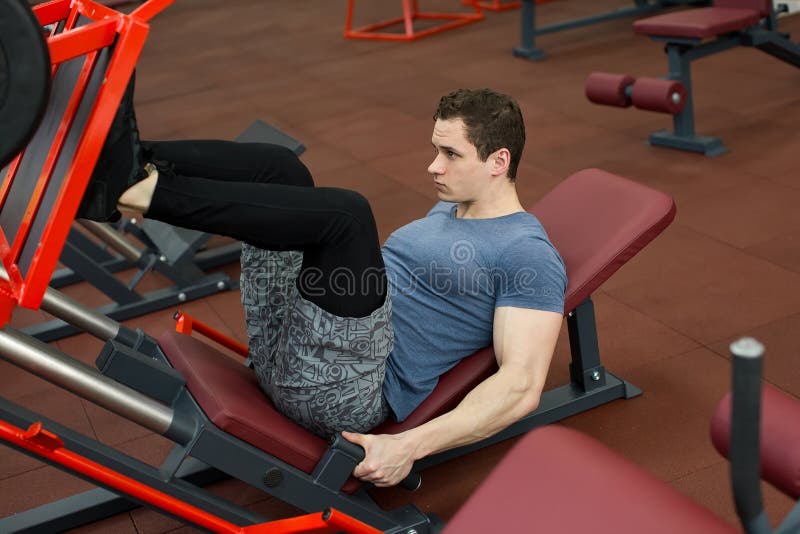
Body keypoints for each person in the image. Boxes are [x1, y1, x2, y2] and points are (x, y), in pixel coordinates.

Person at [80, 81, 567, 487]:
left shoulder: (526, 253)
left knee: (346, 215)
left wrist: (407, 445)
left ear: (499, 162)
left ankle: (144, 194)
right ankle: (123, 165)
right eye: (434, 149)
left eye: (450, 154)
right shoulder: (450, 207)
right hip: (286, 341)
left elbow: (521, 385)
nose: (433, 166)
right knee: (280, 168)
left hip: (341, 390)